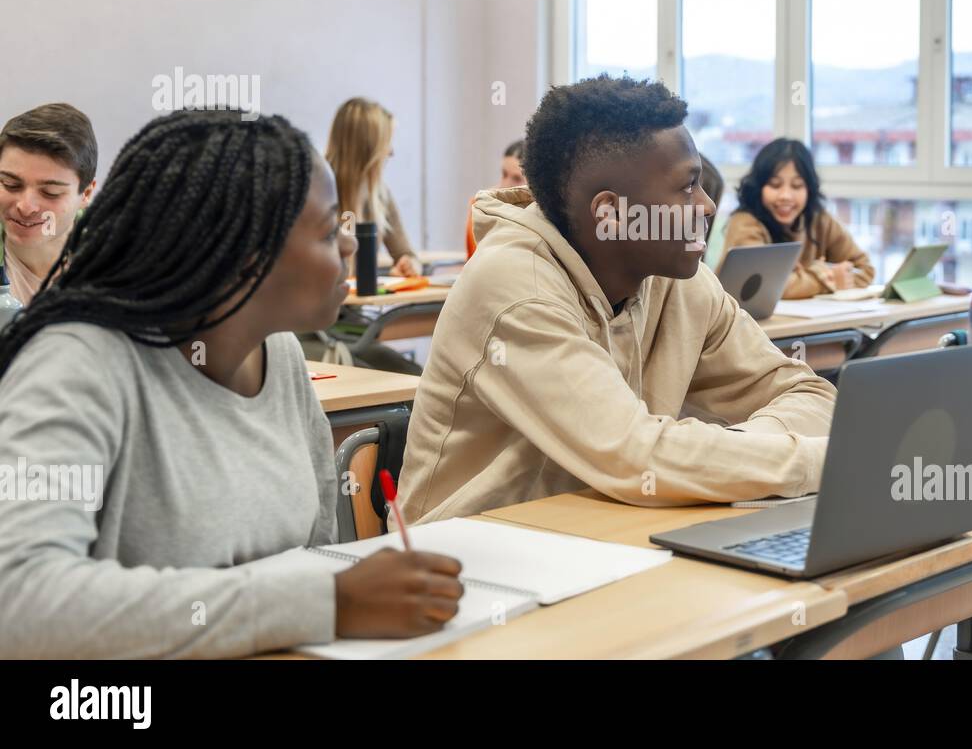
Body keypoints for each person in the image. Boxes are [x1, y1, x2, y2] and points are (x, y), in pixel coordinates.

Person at [0, 110, 463, 658]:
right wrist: (326, 603)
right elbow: (20, 605)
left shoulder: (281, 356)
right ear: (242, 253)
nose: (348, 248)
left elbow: (310, 556)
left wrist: (328, 600)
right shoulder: (78, 363)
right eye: (324, 231)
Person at [397, 76, 835, 524]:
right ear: (611, 213)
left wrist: (737, 452)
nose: (706, 207)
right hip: (462, 566)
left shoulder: (681, 281)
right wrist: (823, 462)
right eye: (687, 187)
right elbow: (635, 456)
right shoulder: (515, 291)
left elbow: (812, 395)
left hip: (607, 537)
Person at [721, 138, 874, 298]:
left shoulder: (819, 219)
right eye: (775, 185)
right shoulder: (744, 223)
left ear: (809, 189)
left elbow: (865, 269)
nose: (786, 196)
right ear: (758, 188)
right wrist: (827, 277)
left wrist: (815, 280)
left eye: (797, 186)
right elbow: (764, 288)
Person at [0, 103, 98, 305]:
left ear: (86, 194)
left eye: (50, 193)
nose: (25, 207)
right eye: (11, 185)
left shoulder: (121, 266)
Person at [324, 97, 420, 277]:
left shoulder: (380, 193)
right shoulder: (316, 192)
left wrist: (409, 265)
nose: (391, 152)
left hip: (358, 303)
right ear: (367, 149)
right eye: (386, 142)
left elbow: (406, 253)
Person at [466, 139, 527, 260]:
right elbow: (475, 257)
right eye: (504, 174)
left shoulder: (540, 215)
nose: (505, 185)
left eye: (516, 178)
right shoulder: (480, 204)